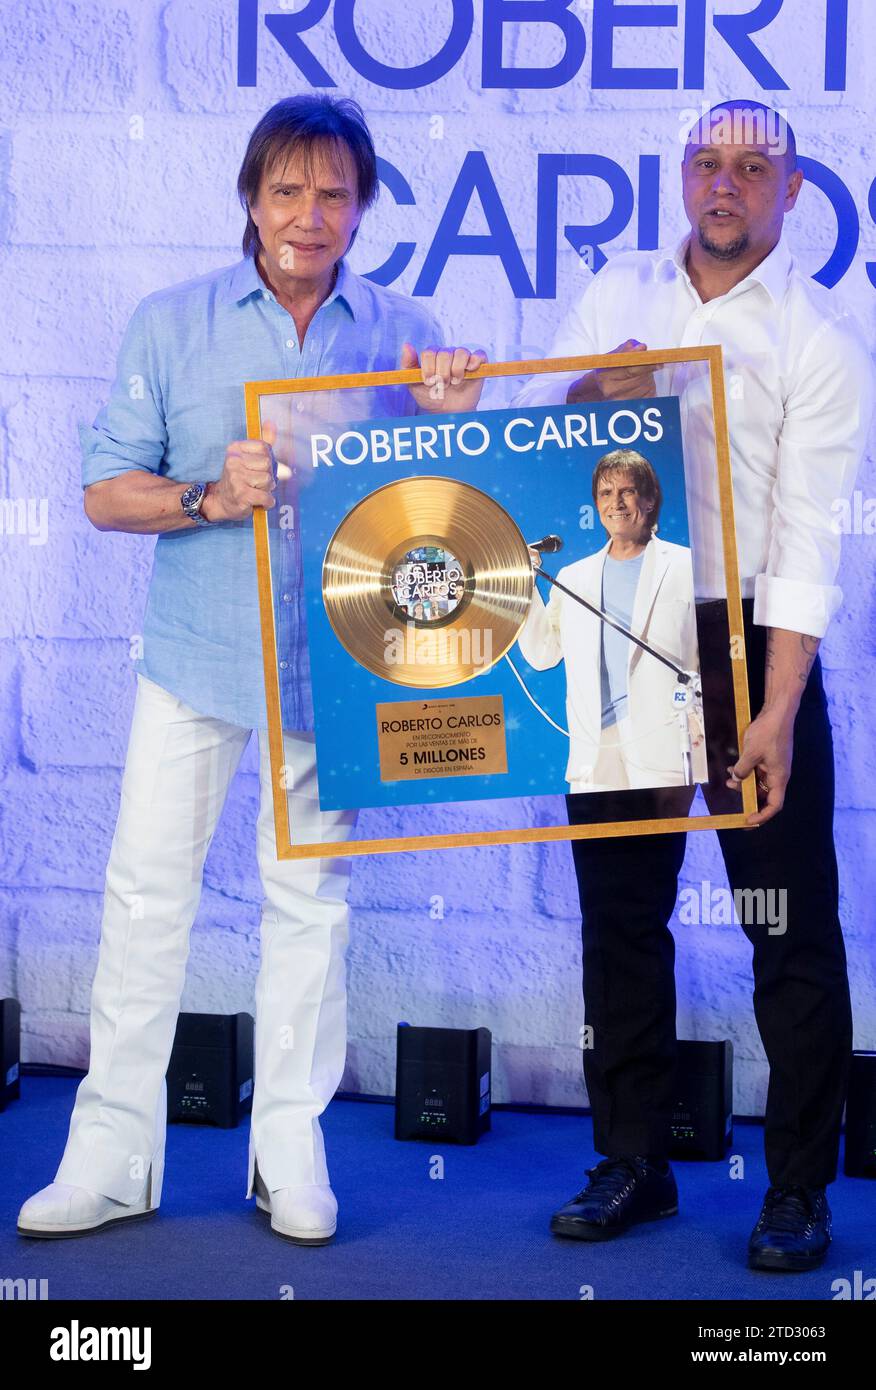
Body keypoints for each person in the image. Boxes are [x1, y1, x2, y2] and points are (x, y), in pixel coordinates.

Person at [17, 95, 485, 1245]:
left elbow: (442, 521)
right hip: (194, 661)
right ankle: (112, 1161)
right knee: (143, 909)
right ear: (250, 197)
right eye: (288, 190)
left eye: (335, 194)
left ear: (364, 208)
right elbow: (102, 491)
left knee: (309, 916)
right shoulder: (170, 324)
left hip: (333, 668)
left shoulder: (407, 333)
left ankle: (290, 1162)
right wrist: (208, 497)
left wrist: (453, 419)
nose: (309, 215)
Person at [514, 100, 874, 1270]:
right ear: (682, 178)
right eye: (708, 164)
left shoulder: (823, 342)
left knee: (790, 929)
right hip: (623, 630)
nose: (727, 184)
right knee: (621, 920)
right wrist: (599, 391)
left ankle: (799, 1191)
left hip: (748, 649)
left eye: (753, 167)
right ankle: (633, 1162)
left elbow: (808, 539)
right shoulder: (616, 297)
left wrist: (773, 710)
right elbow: (542, 453)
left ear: (793, 191)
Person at [517, 448, 706, 792]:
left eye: (627, 491)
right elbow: (542, 655)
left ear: (649, 500)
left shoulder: (687, 566)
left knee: (658, 847)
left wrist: (700, 716)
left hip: (663, 747)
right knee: (600, 847)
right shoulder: (574, 579)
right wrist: (522, 585)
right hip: (594, 752)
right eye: (606, 493)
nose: (615, 503)